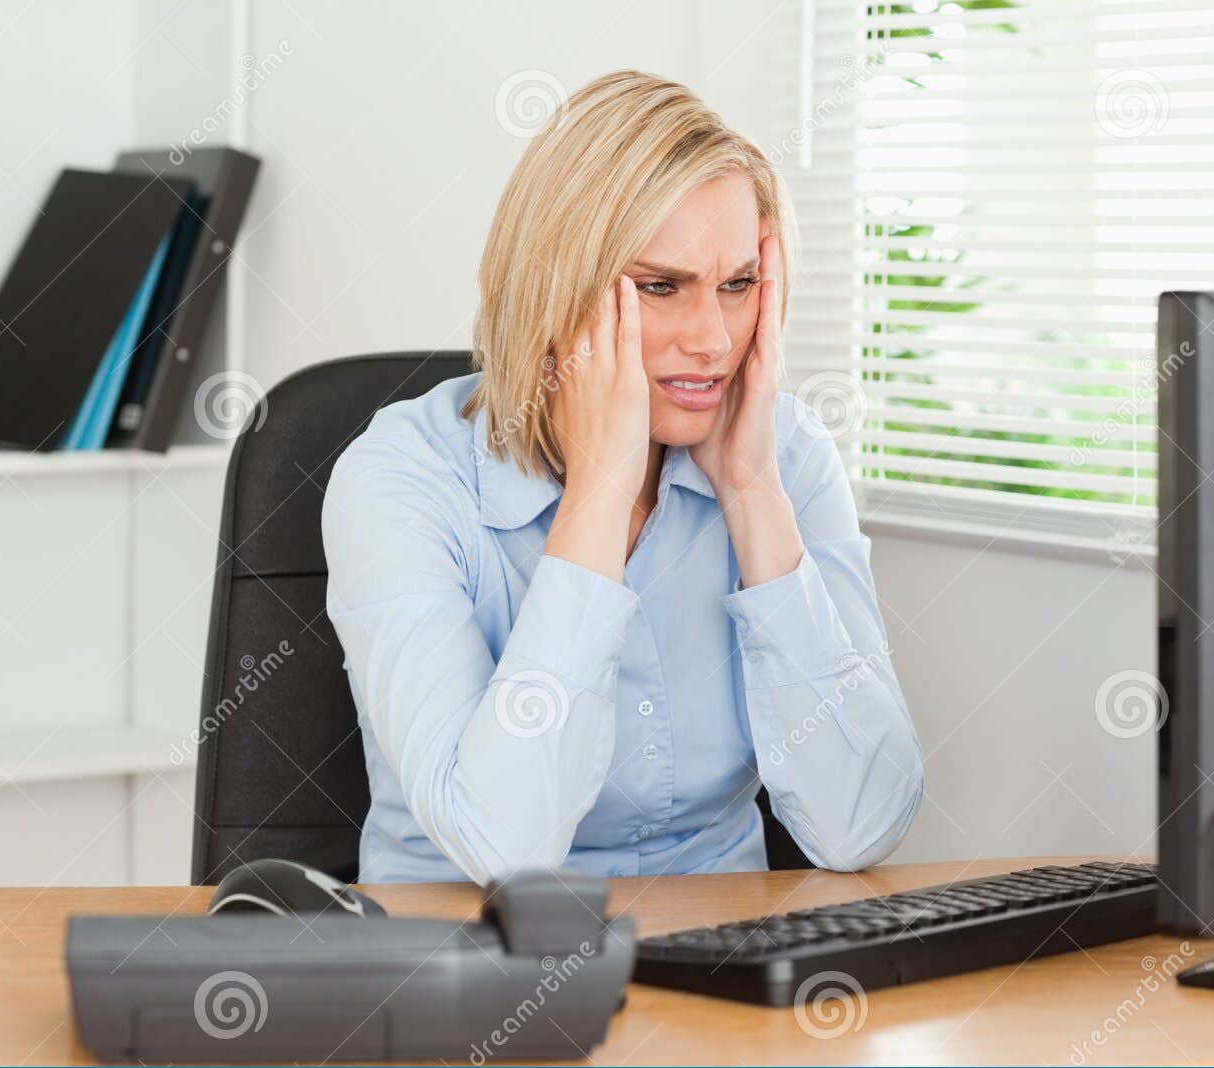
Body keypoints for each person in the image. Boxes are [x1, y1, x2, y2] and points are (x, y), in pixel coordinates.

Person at [323, 70, 924, 885]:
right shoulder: (399, 479)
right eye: (660, 287)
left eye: (738, 285)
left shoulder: (782, 457)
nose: (712, 339)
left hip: (723, 967)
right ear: (553, 291)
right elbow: (506, 850)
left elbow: (863, 826)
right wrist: (600, 495)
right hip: (460, 966)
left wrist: (751, 494)